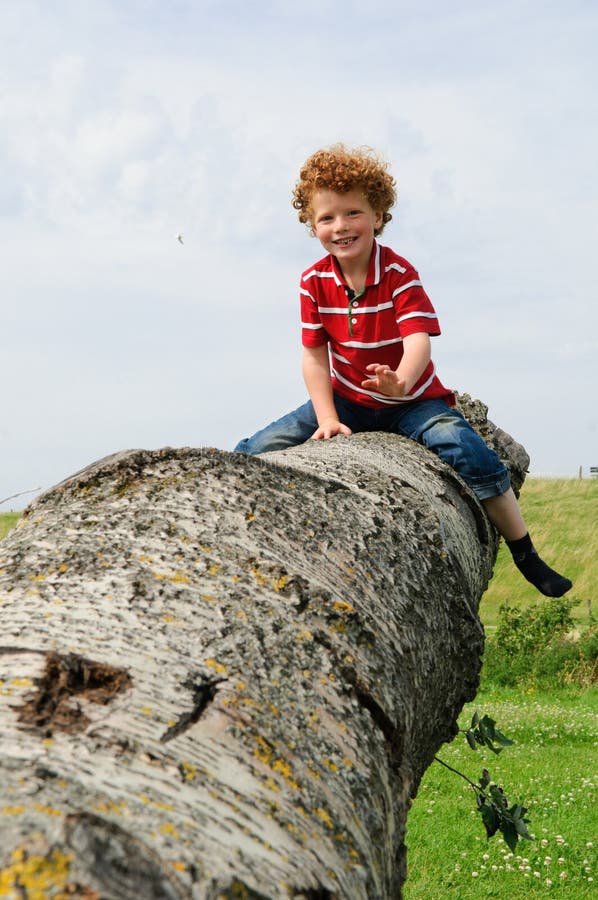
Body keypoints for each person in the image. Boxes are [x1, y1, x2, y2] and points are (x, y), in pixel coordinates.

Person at [234, 145, 571, 598]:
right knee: (259, 447)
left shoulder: (398, 273)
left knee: (469, 453)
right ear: (311, 225)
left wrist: (402, 382)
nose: (340, 226)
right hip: (347, 397)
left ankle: (526, 553)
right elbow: (314, 355)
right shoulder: (313, 281)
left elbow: (418, 340)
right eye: (327, 218)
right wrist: (328, 417)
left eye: (353, 212)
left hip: (413, 400)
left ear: (378, 215)